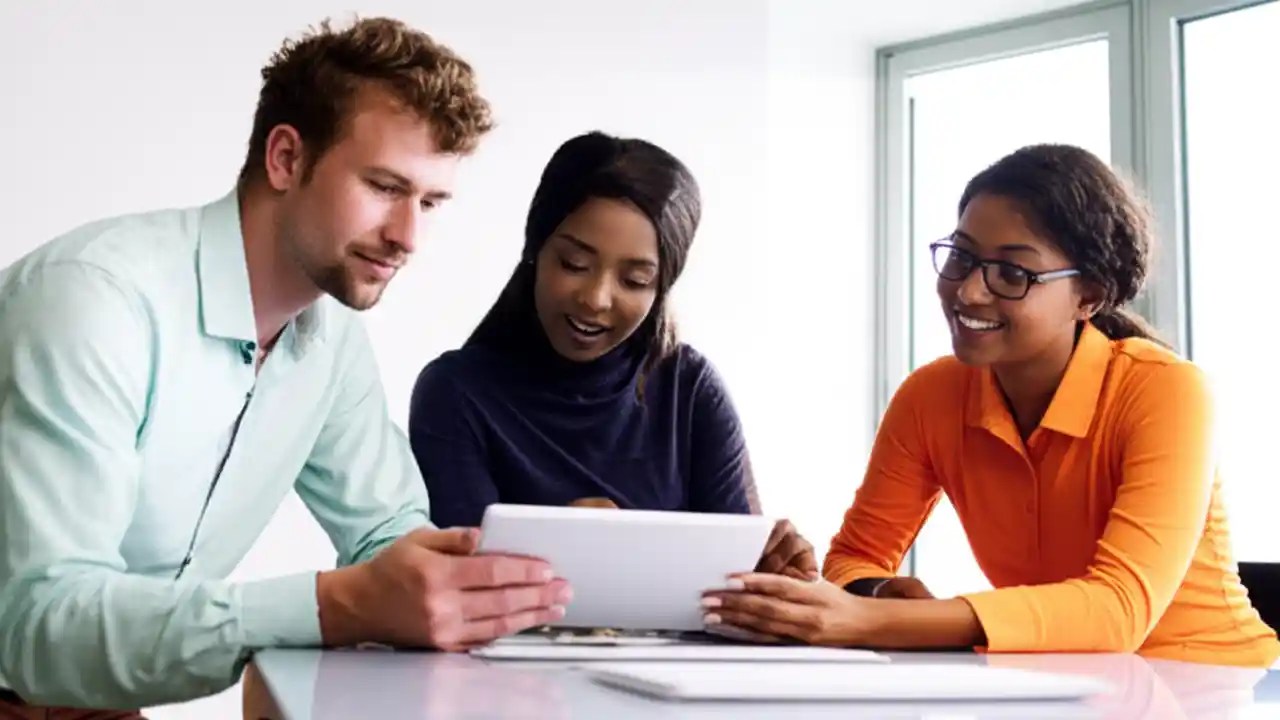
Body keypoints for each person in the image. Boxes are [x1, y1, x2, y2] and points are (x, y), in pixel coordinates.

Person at [0, 18, 570, 716]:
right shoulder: (93, 300)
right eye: (385, 186)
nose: (408, 236)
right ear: (285, 158)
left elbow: (387, 535)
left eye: (430, 201)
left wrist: (520, 574)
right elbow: (42, 632)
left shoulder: (328, 341)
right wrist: (334, 607)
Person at [700, 144, 1280, 667]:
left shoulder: (1166, 389)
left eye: (1011, 273)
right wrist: (876, 592)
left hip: (1217, 683)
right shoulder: (931, 395)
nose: (969, 291)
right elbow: (855, 556)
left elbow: (1117, 610)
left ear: (1089, 296)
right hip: (1057, 682)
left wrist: (870, 621)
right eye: (961, 257)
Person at [408, 131, 814, 578]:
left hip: (677, 648)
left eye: (635, 280)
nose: (597, 299)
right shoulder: (455, 392)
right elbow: (457, 581)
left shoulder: (689, 387)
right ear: (535, 250)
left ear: (661, 289)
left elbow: (741, 577)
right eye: (573, 265)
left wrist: (775, 568)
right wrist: (560, 546)